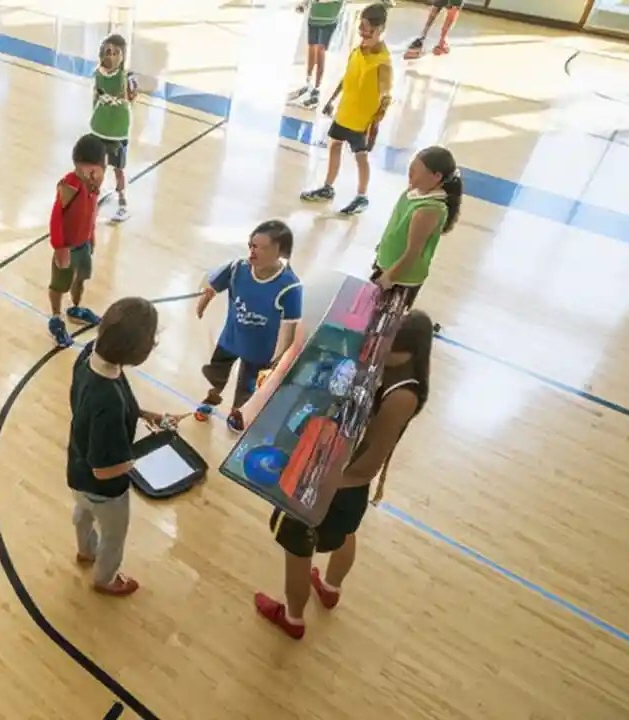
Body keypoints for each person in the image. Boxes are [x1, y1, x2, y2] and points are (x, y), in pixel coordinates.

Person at [254, 310, 432, 639]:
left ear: (407, 349)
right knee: (346, 534)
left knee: (297, 551)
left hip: (336, 483)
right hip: (343, 480)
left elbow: (370, 460)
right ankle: (330, 588)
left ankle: (293, 619)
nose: (378, 348)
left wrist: (317, 483)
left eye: (387, 343)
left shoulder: (402, 395)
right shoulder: (393, 373)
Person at [67, 297, 183, 597]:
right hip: (106, 491)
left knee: (82, 513)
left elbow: (96, 409)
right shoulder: (109, 401)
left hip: (76, 468)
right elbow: (104, 470)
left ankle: (85, 551)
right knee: (113, 535)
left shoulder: (89, 354)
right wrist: (141, 459)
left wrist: (143, 414)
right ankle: (105, 579)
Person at [195, 221, 303, 431]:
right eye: (252, 245)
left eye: (262, 247)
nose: (253, 252)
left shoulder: (291, 287)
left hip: (260, 351)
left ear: (280, 251)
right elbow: (212, 286)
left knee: (247, 386)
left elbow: (289, 328)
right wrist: (203, 302)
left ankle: (238, 413)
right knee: (216, 374)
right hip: (230, 339)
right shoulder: (237, 268)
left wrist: (278, 359)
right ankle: (211, 399)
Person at [299, 2, 391, 216]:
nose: (363, 33)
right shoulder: (357, 51)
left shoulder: (382, 62)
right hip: (345, 112)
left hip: (362, 119)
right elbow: (347, 77)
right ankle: (328, 187)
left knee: (361, 156)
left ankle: (362, 196)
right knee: (334, 145)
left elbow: (386, 97)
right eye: (361, 28)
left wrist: (375, 125)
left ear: (380, 29)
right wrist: (332, 99)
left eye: (368, 30)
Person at [371, 146, 462, 307]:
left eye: (415, 171)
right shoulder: (414, 192)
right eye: (410, 169)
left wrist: (388, 278)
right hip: (386, 263)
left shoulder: (429, 209)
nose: (410, 174)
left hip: (400, 278)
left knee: (381, 318)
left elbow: (413, 252)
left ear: (436, 176)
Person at [47, 134, 108, 348]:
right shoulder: (70, 185)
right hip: (67, 247)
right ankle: (56, 318)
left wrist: (92, 236)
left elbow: (90, 213)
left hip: (83, 245)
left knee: (80, 279)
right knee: (59, 285)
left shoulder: (93, 185)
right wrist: (59, 247)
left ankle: (75, 308)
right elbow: (56, 216)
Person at [90, 34, 135, 224]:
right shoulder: (98, 73)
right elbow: (95, 97)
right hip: (99, 127)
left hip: (117, 131)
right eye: (108, 52)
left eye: (116, 53)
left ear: (123, 56)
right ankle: (94, 196)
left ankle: (122, 202)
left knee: (118, 168)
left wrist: (127, 89)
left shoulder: (126, 77)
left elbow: (131, 97)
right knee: (98, 165)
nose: (111, 56)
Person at [288, 0, 344, 109]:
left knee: (320, 51)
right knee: (312, 49)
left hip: (329, 20)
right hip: (314, 18)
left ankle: (316, 90)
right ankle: (308, 85)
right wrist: (304, 3)